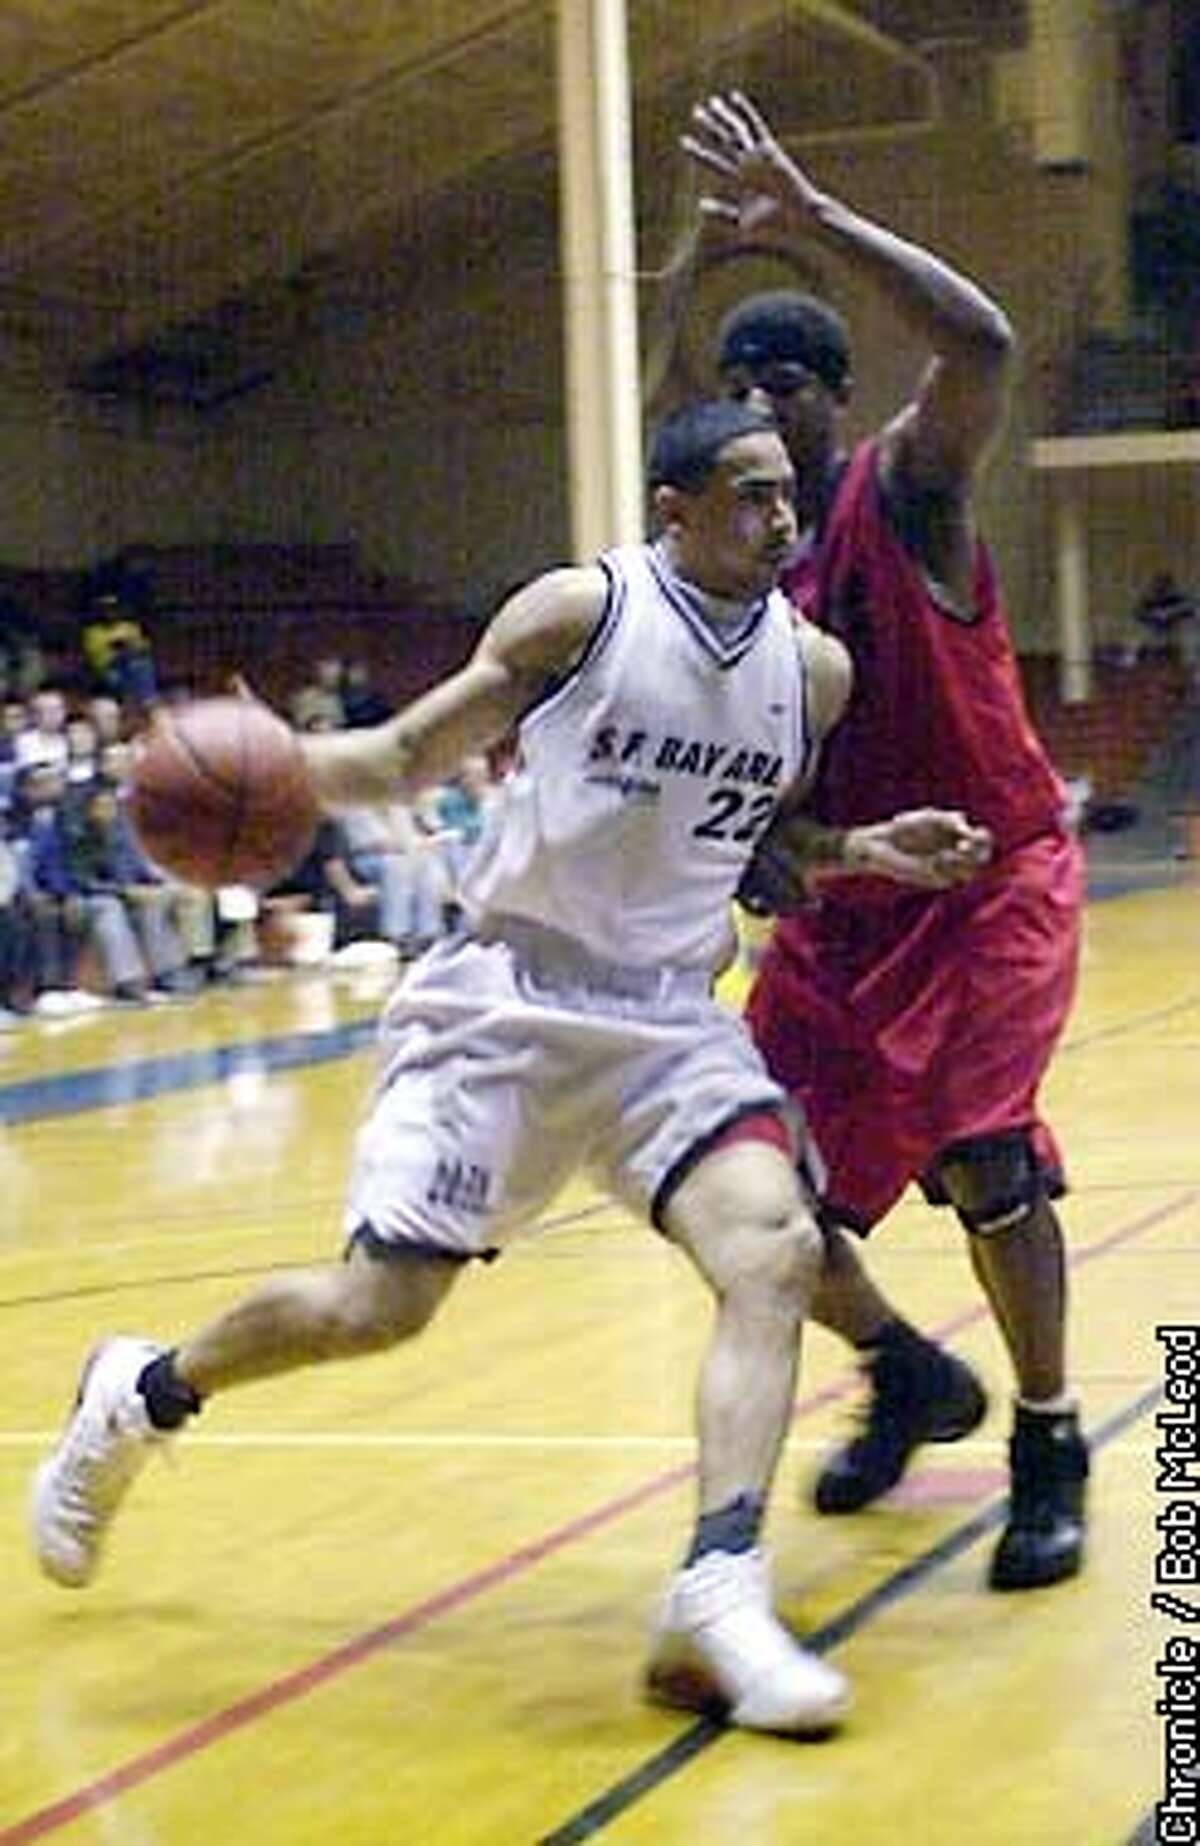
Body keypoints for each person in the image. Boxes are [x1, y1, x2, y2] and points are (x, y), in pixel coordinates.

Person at [29, 399, 989, 1737]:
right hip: (507, 1003)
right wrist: (240, 774)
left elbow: (752, 840)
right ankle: (142, 1391)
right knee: (378, 1309)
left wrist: (867, 848)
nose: (782, 521)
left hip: (667, 1018)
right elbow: (396, 756)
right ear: (674, 508)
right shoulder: (578, 615)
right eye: (751, 496)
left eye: (790, 498)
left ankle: (716, 1588)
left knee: (772, 1251)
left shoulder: (812, 671)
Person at [680, 91, 1089, 1592]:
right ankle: (910, 1370)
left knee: (988, 1159)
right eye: (741, 382)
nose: (763, 403)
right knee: (753, 1198)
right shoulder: (719, 609)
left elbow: (980, 344)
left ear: (834, 402)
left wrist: (811, 219)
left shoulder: (901, 490)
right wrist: (823, 855)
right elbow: (767, 848)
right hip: (855, 910)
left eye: (789, 379)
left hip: (991, 887)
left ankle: (1050, 1438)